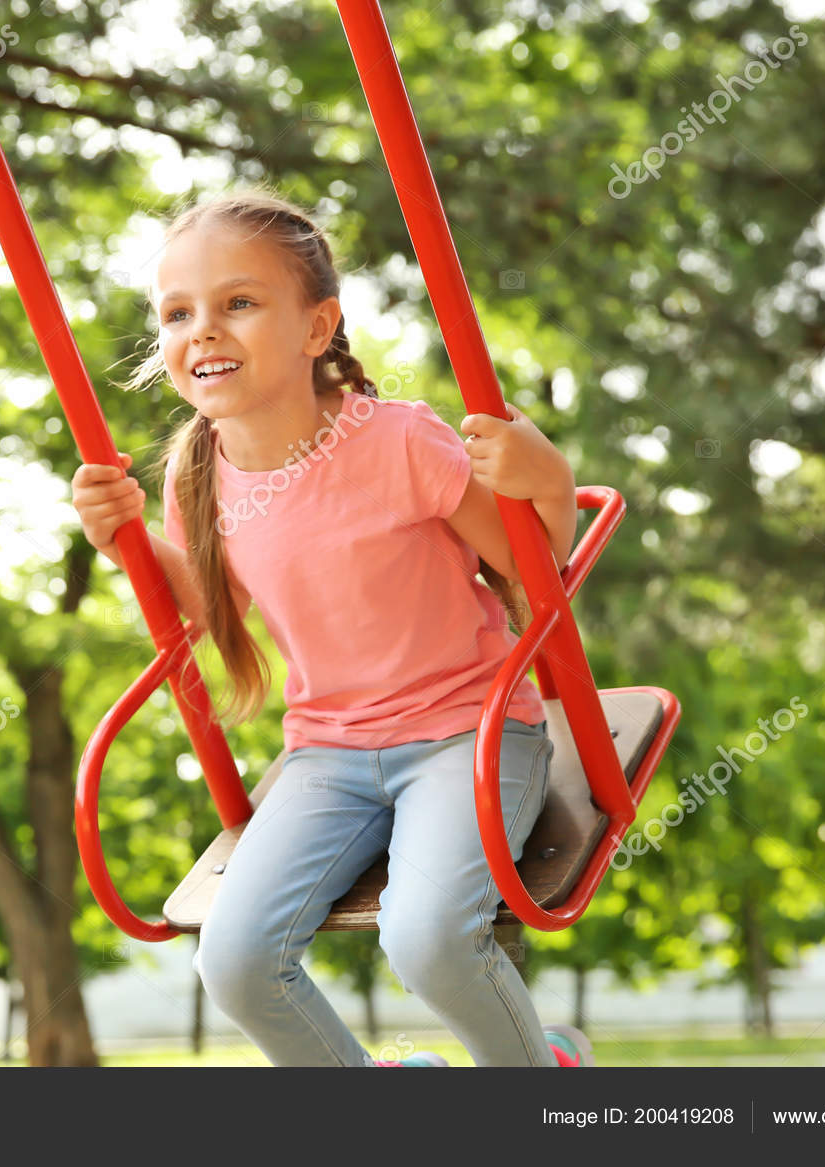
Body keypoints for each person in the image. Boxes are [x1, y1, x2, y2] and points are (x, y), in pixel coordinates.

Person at [72, 187, 593, 1068]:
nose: (202, 330)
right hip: (327, 756)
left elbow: (527, 568)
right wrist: (124, 544)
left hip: (470, 734)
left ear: (318, 328)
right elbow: (206, 611)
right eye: (177, 312)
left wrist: (547, 476)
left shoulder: (398, 442)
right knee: (233, 961)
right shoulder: (198, 477)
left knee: (427, 941)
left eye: (238, 303)